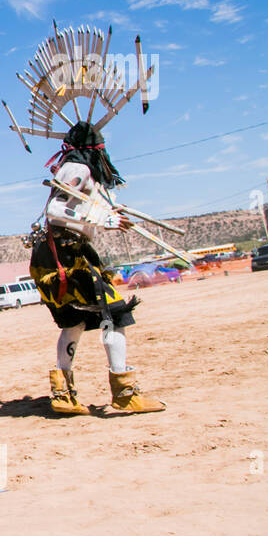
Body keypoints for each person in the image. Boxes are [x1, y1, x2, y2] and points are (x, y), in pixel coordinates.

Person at [29, 121, 165, 415]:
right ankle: (124, 393)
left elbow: (73, 209)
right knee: (115, 316)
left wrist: (107, 214)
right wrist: (100, 219)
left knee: (74, 323)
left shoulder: (79, 169)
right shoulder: (77, 168)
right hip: (65, 256)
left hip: (66, 253)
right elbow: (55, 209)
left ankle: (63, 394)